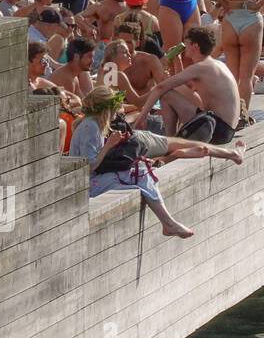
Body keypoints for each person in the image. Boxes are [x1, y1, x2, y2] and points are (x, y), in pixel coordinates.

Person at [69, 86, 193, 239]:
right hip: (86, 184)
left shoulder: (93, 124)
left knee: (141, 169)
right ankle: (168, 223)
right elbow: (89, 167)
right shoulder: (91, 127)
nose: (119, 110)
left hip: (91, 179)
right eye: (115, 107)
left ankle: (168, 222)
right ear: (107, 108)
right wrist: (109, 145)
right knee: (140, 174)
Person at [134, 26, 241, 143]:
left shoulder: (201, 67)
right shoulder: (216, 64)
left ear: (195, 46)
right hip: (225, 130)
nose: (184, 47)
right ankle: (171, 141)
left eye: (187, 43)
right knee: (169, 92)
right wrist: (177, 61)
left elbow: (161, 87)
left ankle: (170, 143)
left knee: (166, 94)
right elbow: (186, 88)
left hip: (216, 130)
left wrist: (142, 117)